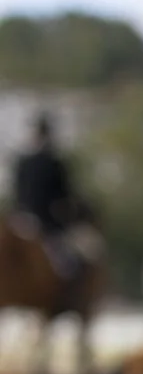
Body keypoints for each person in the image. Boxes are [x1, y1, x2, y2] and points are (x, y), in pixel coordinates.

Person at [9, 112, 94, 282]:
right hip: (47, 224)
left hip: (20, 221)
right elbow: (64, 196)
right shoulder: (55, 163)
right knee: (69, 266)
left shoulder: (22, 162)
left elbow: (16, 195)